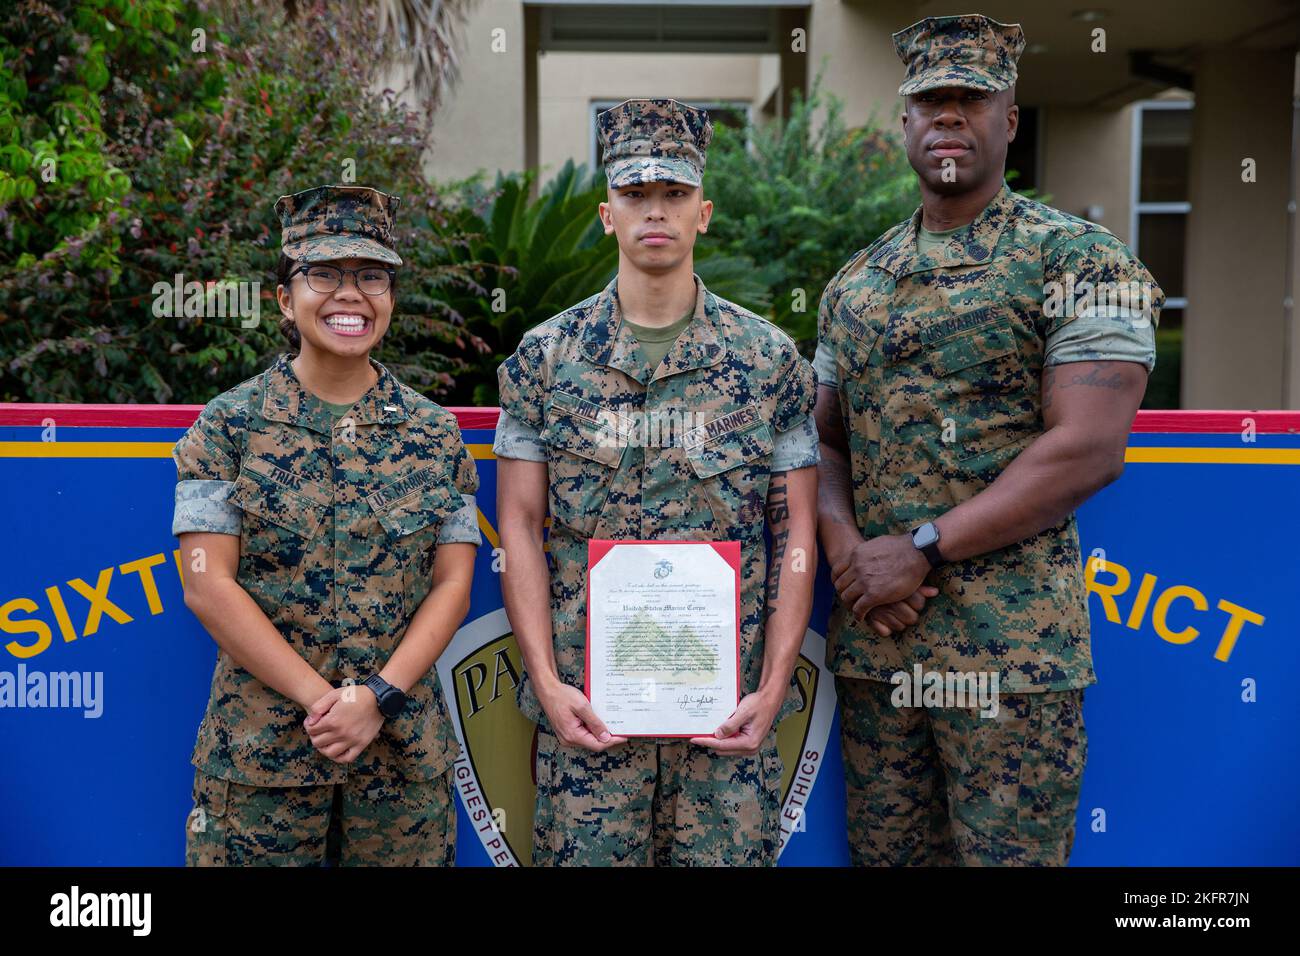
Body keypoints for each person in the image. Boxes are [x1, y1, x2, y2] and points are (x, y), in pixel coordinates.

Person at [814, 15, 1163, 866]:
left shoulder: (1085, 263)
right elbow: (819, 444)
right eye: (930, 100)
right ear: (904, 122)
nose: (948, 118)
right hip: (881, 654)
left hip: (1013, 663)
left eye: (972, 100)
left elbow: (1088, 448)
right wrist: (852, 556)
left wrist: (921, 550)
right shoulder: (855, 284)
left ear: (1010, 119)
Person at [494, 99, 820, 866]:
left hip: (728, 717)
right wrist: (544, 679)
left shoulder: (769, 362)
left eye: (673, 195)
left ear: (702, 212)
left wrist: (773, 687)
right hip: (590, 716)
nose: (655, 212)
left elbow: (796, 533)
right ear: (608, 214)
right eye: (636, 195)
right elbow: (518, 527)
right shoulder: (545, 359)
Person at [172, 184, 480, 866]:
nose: (351, 296)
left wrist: (377, 698)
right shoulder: (228, 426)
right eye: (324, 275)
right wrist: (328, 702)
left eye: (371, 277)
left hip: (400, 766)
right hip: (261, 767)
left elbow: (453, 585)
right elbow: (206, 585)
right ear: (286, 299)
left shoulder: (435, 435)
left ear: (391, 298)